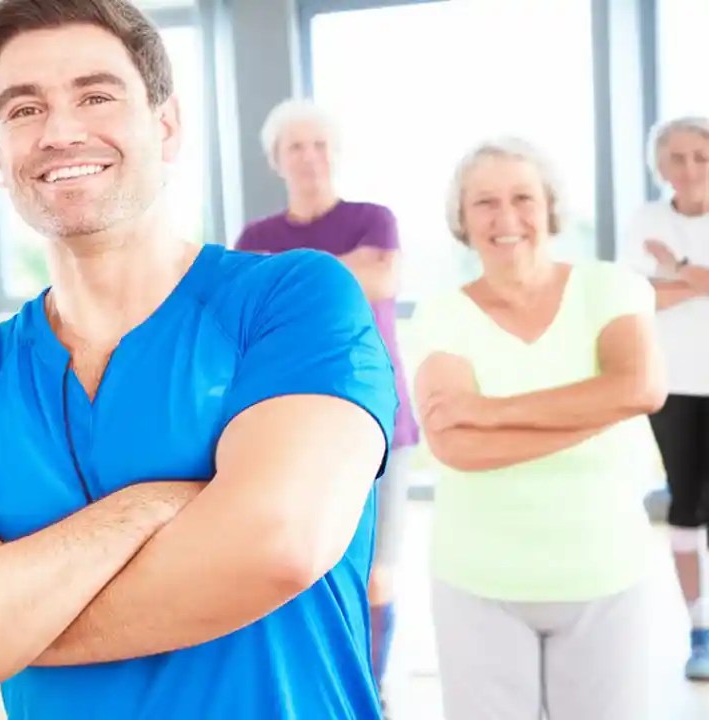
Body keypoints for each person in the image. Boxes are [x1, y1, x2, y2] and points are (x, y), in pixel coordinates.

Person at [0, 1, 397, 718]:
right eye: (24, 109)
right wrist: (151, 507)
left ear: (165, 126)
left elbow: (277, 545)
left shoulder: (293, 300)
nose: (60, 131)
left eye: (95, 95)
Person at [412, 137, 665, 719]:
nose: (506, 218)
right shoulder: (443, 313)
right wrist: (599, 409)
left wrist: (492, 409)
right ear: (461, 217)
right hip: (479, 580)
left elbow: (641, 388)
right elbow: (456, 445)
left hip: (604, 571)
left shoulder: (611, 288)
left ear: (551, 206)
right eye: (484, 202)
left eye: (523, 197)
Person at [235, 98, 419, 709]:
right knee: (301, 565)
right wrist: (337, 273)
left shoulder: (374, 219)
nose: (310, 158)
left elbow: (381, 281)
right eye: (296, 147)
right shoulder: (255, 237)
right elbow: (253, 316)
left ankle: (371, 692)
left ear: (337, 154)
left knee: (375, 573)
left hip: (377, 420)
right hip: (290, 425)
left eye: (320, 145)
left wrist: (286, 277)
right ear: (276, 160)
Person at [620, 116, 709, 681]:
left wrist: (673, 269)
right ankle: (700, 630)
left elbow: (659, 286)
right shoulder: (645, 220)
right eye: (676, 158)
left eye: (700, 156)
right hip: (674, 382)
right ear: (660, 166)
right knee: (686, 506)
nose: (689, 169)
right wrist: (691, 283)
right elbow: (634, 294)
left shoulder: (663, 239)